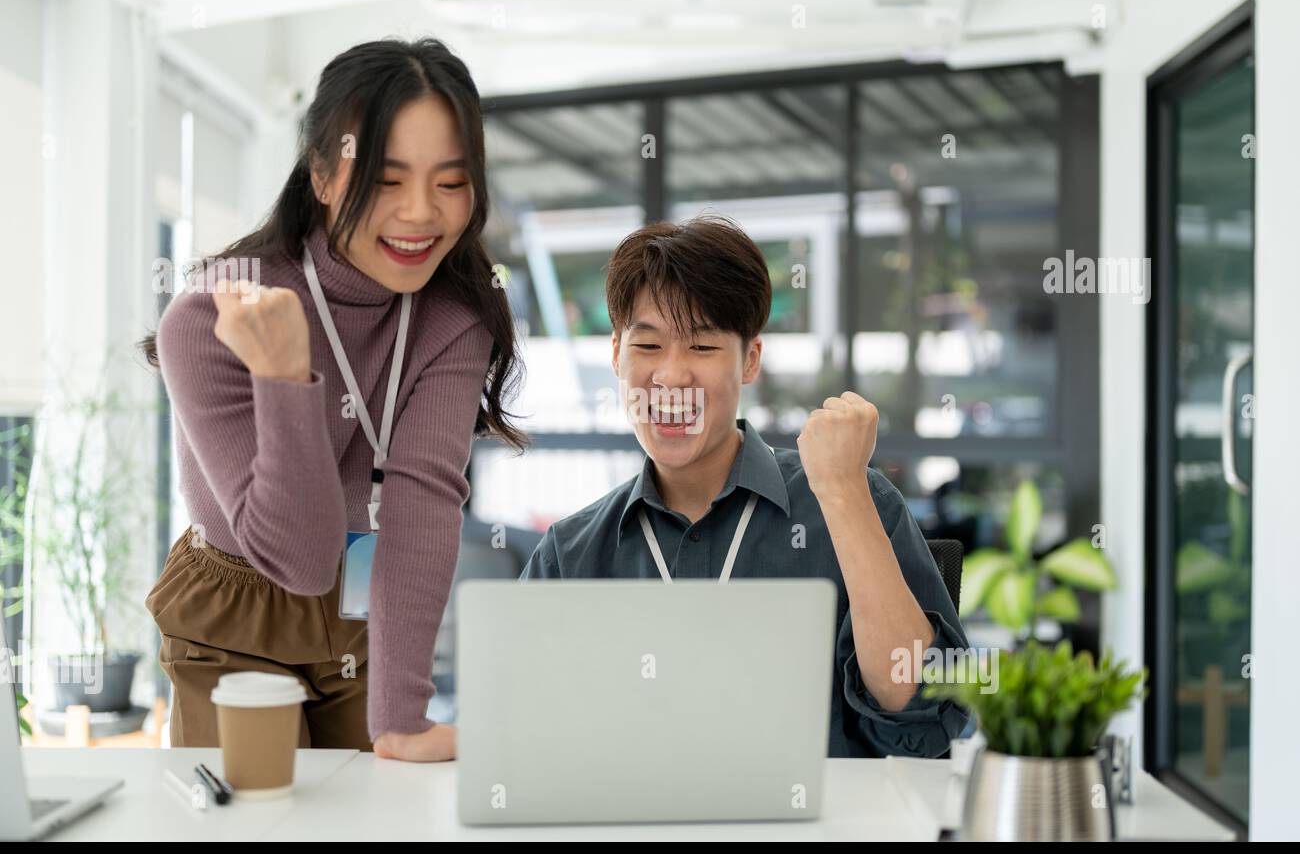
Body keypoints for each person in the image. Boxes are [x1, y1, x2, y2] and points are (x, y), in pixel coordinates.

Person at [140, 38, 523, 762]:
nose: (420, 214)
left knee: (382, 808)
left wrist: (403, 719)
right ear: (320, 174)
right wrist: (285, 379)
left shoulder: (453, 319)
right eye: (385, 179)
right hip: (237, 601)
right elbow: (299, 557)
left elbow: (424, 501)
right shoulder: (211, 317)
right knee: (257, 814)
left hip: (365, 599)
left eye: (450, 182)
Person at [520, 215, 971, 757]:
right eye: (648, 346)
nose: (672, 376)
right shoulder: (571, 556)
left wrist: (844, 493)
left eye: (703, 347)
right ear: (616, 353)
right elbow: (520, 732)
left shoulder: (849, 498)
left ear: (749, 359)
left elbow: (923, 715)